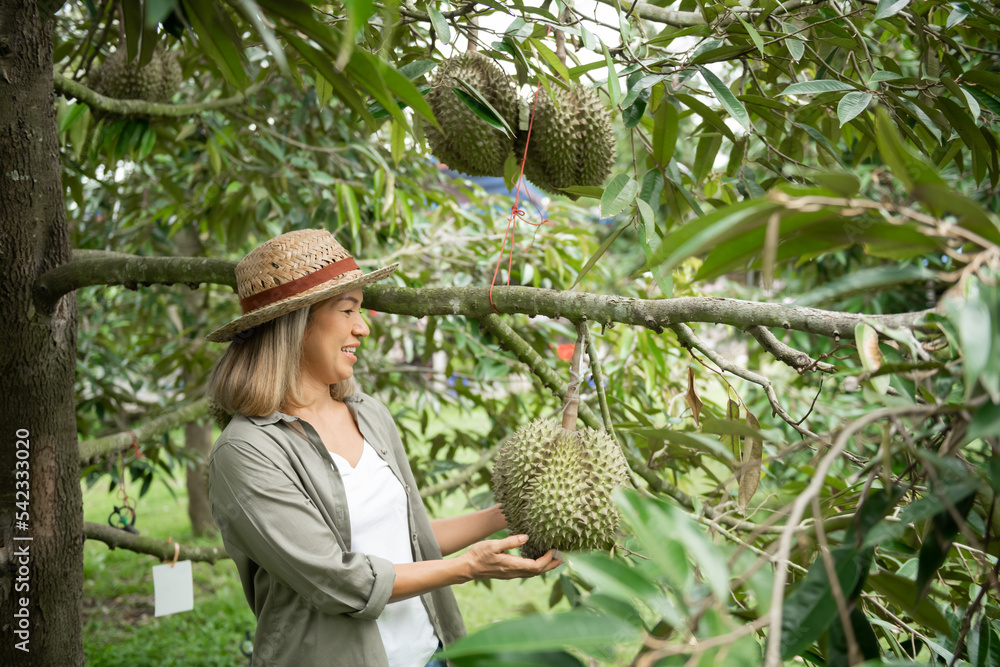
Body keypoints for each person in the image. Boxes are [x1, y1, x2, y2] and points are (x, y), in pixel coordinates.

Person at [205, 228, 560, 667]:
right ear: (294, 323)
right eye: (348, 309)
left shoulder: (367, 412)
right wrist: (468, 567)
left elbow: (411, 537)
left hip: (430, 653)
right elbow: (337, 580)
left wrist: (514, 515)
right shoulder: (246, 452)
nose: (363, 326)